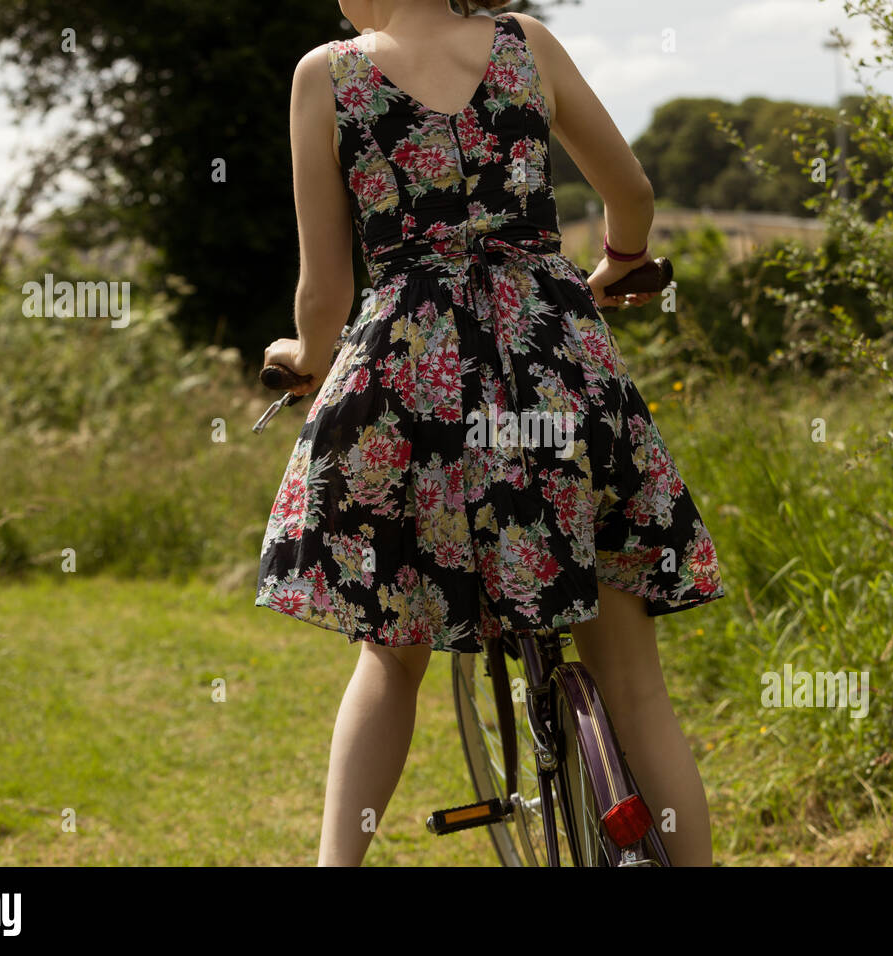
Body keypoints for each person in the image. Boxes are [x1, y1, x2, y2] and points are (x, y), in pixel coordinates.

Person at [257, 0, 724, 866]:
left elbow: (324, 290)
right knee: (634, 683)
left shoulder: (328, 74)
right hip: (554, 354)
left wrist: (306, 353)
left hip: (414, 382)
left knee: (392, 658)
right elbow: (632, 193)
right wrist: (618, 262)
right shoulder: (526, 43)